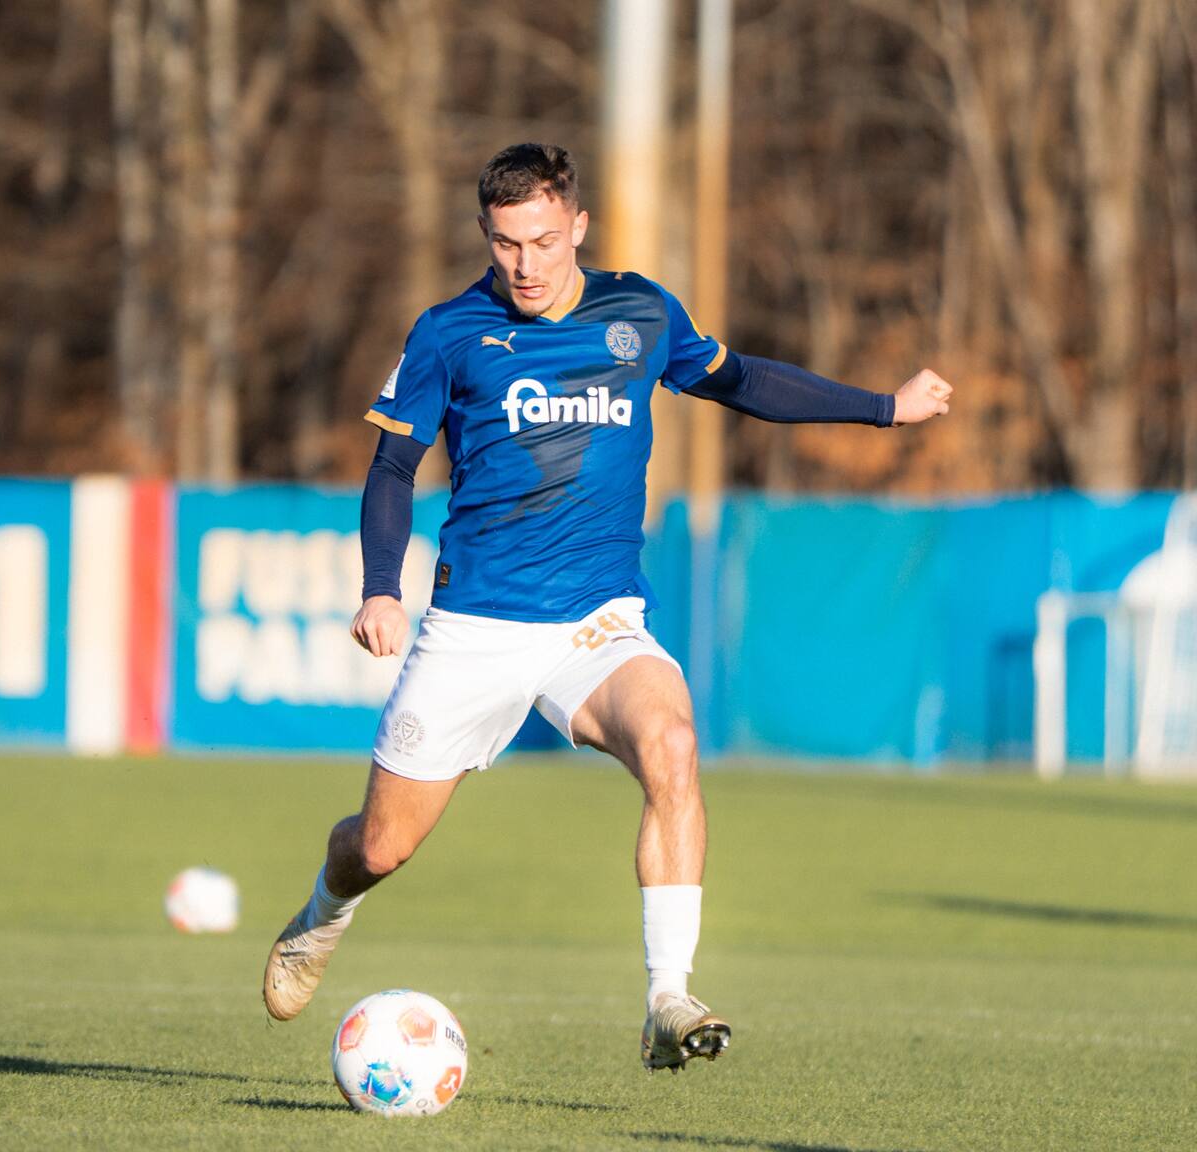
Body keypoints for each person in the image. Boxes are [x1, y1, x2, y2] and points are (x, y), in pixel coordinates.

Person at [260, 143, 953, 1071]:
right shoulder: (449, 332)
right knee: (380, 848)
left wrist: (883, 409)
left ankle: (668, 996)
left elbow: (741, 381)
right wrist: (381, 587)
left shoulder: (641, 312)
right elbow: (393, 466)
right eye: (506, 243)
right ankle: (322, 911)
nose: (526, 265)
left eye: (544, 241)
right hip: (476, 628)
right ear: (485, 234)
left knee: (672, 741)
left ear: (578, 226)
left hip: (598, 620)